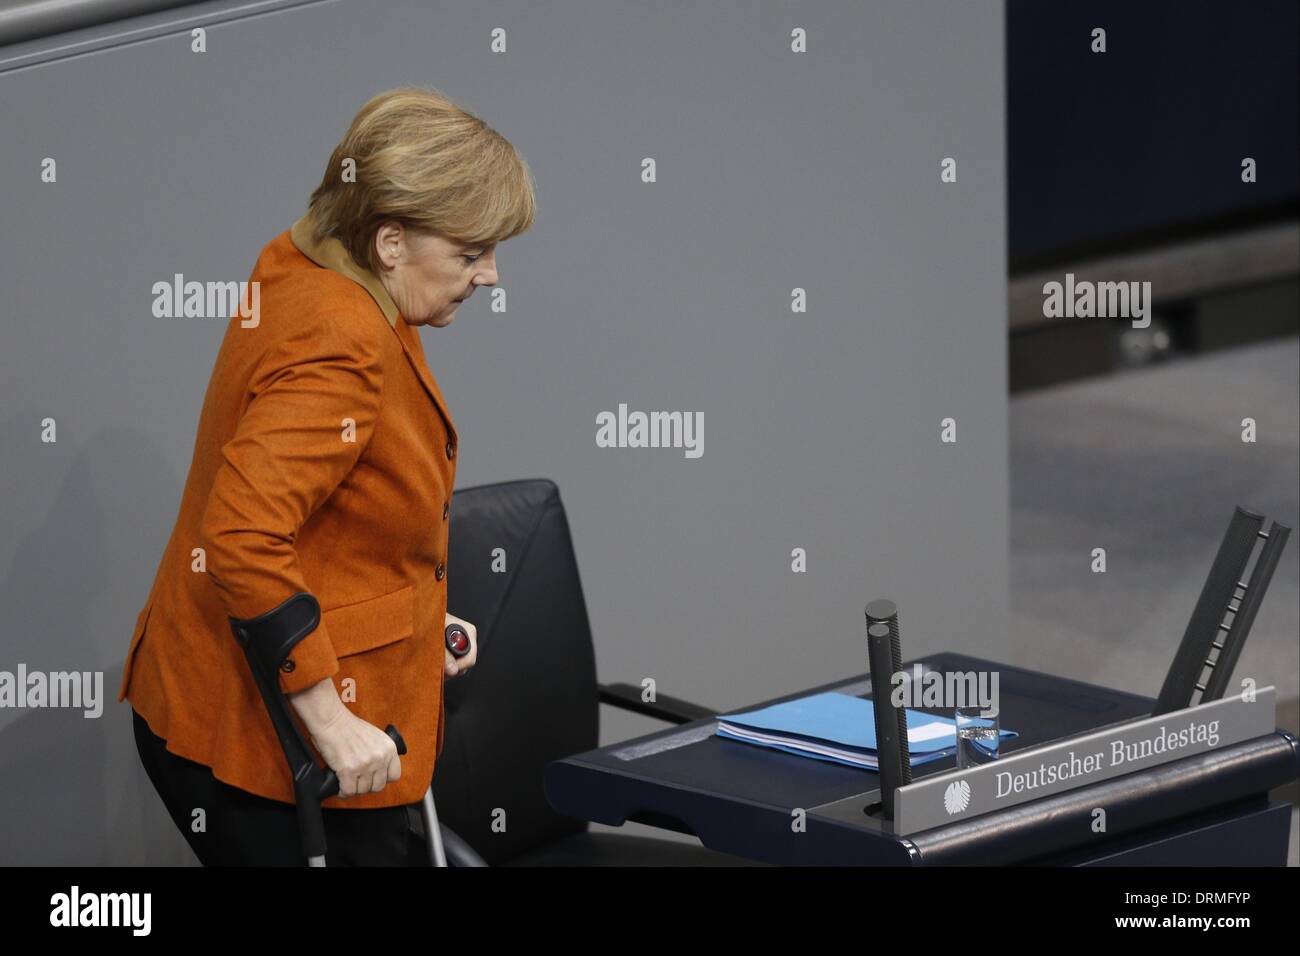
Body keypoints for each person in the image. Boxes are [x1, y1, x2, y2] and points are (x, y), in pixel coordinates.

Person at [118, 87, 538, 865]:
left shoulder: (307, 260)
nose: (491, 276)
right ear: (390, 241)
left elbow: (338, 513)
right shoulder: (342, 341)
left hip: (204, 683)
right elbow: (242, 535)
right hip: (264, 743)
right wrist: (330, 718)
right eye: (471, 253)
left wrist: (417, 625)